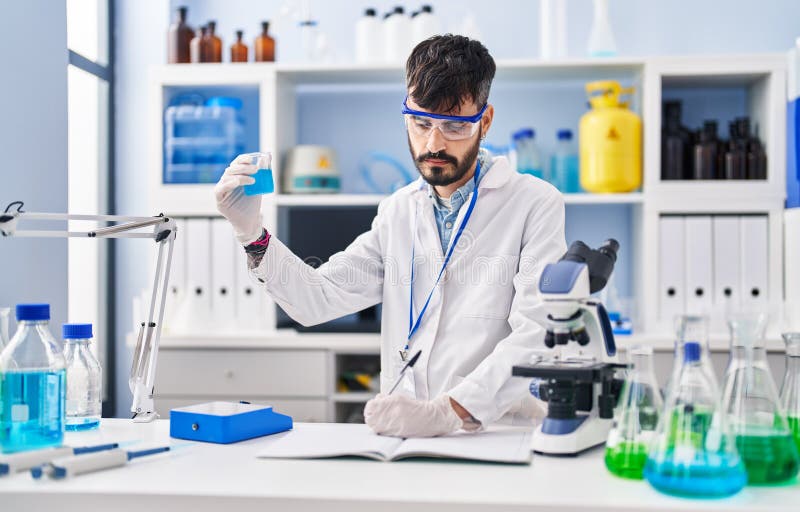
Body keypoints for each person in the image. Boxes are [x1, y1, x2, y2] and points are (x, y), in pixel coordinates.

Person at [215, 35, 566, 438]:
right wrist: (251, 233)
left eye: (454, 125)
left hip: (495, 437)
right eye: (421, 122)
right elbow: (318, 299)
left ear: (484, 122)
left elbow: (538, 334)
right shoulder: (398, 210)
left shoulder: (534, 203)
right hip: (403, 437)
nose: (434, 143)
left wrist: (447, 413)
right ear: (405, 116)